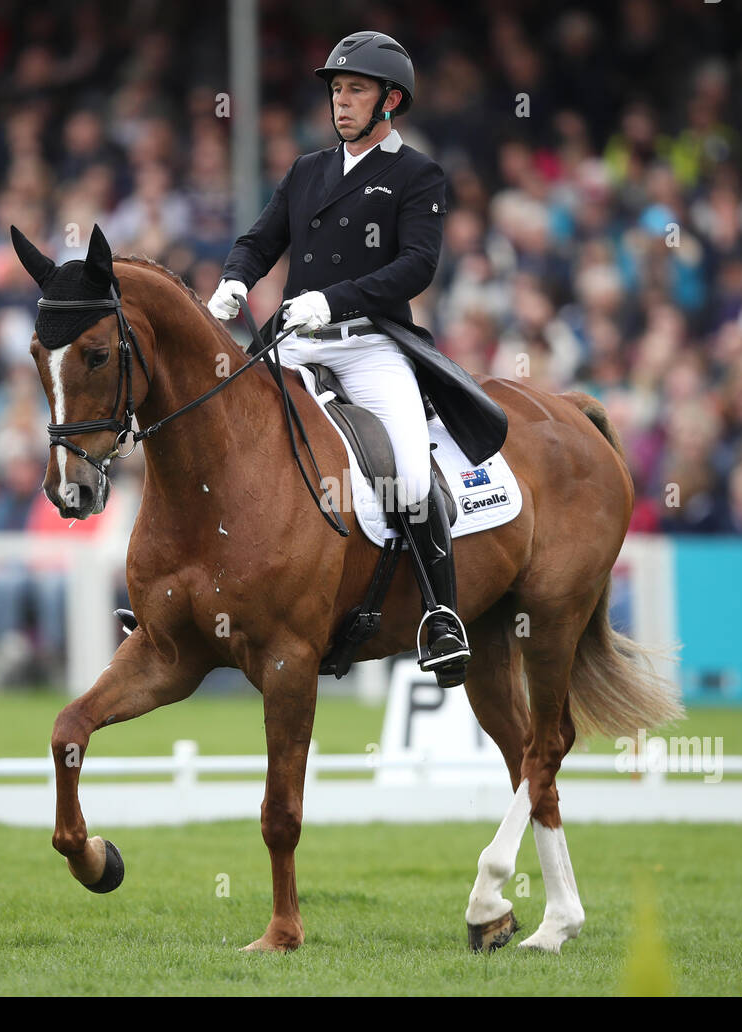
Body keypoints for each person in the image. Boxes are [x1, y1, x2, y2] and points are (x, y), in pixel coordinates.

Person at [206, 31, 473, 684]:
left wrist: (333, 302)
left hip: (372, 347)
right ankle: (189, 593)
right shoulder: (306, 171)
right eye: (336, 90)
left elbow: (417, 266)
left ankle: (442, 614)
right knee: (216, 436)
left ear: (390, 101)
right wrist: (236, 279)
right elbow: (260, 237)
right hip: (296, 344)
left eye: (356, 89)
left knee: (408, 478)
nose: (342, 101)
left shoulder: (417, 175)